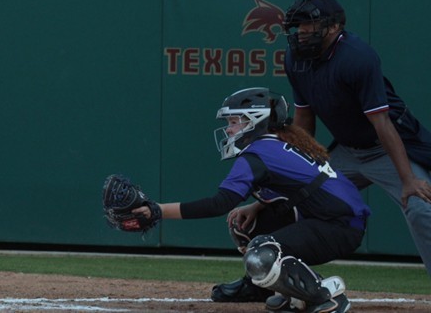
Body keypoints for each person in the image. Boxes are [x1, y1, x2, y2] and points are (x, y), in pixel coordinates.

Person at [135, 87, 368, 312]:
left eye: (234, 122)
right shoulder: (276, 143)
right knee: (243, 223)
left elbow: (220, 203)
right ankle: (265, 289)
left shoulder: (259, 152)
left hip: (339, 225)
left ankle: (326, 297)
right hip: (333, 218)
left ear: (254, 121)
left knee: (260, 253)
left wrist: (157, 210)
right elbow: (301, 190)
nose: (228, 130)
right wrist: (257, 206)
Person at [281, 0, 431, 276]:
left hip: (389, 145)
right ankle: (271, 277)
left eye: (310, 24)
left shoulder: (356, 57)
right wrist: (295, 173)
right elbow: (303, 119)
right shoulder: (296, 58)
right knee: (288, 199)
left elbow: (382, 123)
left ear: (334, 27)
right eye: (298, 25)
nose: (301, 31)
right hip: (347, 152)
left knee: (421, 207)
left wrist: (408, 181)